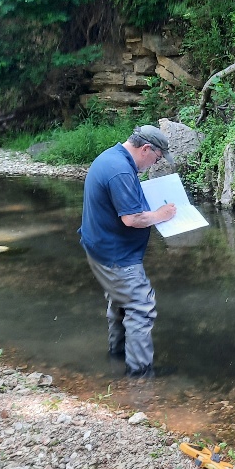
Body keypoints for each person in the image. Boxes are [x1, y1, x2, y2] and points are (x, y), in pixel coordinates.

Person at [80, 125, 177, 377]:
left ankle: (116, 358)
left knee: (118, 304)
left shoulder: (112, 156)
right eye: (156, 158)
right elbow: (132, 219)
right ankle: (140, 379)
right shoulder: (121, 170)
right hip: (117, 256)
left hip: (100, 249)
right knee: (141, 308)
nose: (155, 164)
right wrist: (160, 214)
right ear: (146, 148)